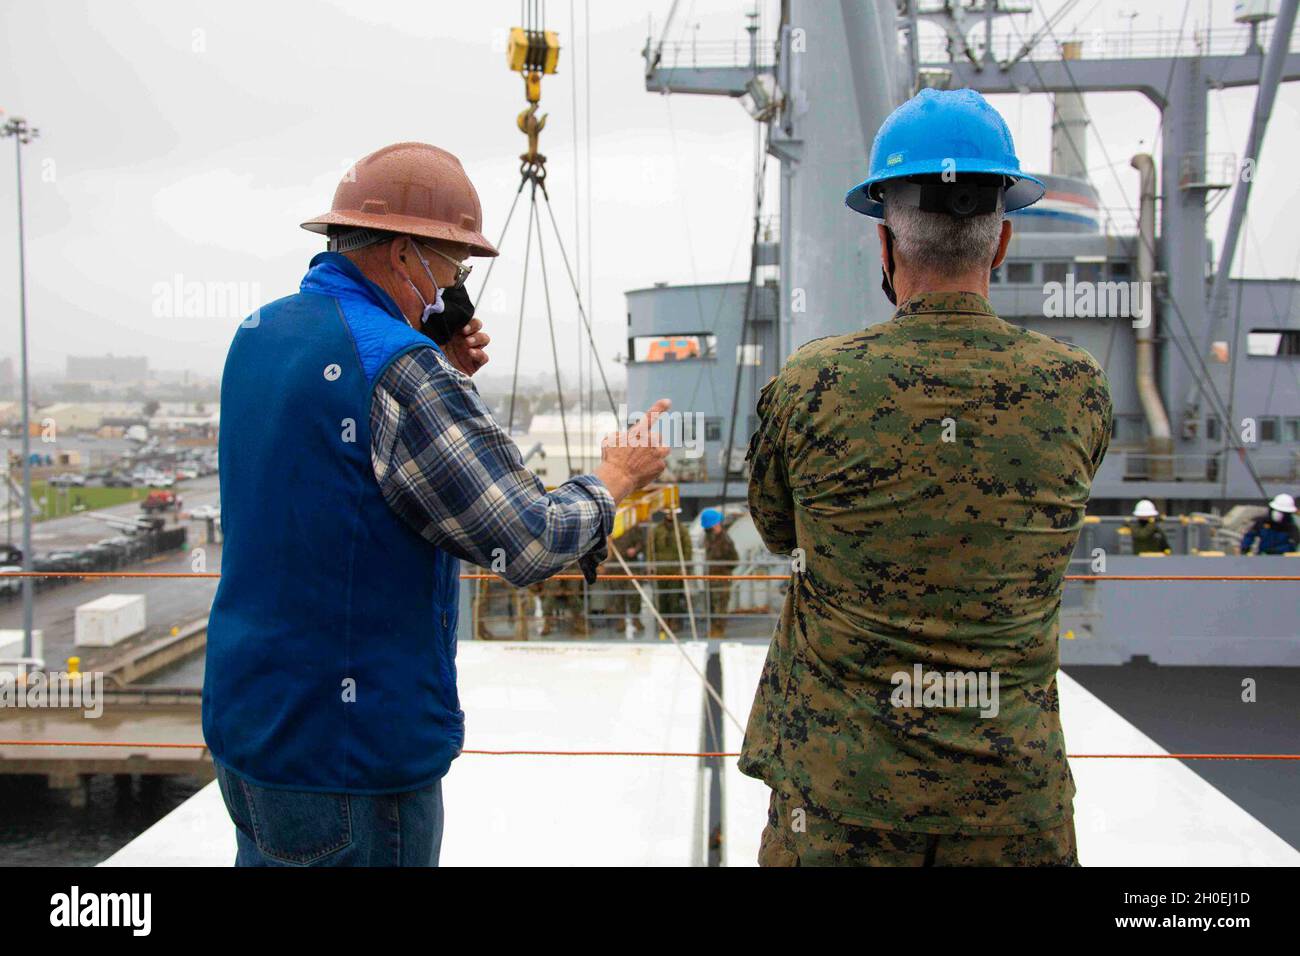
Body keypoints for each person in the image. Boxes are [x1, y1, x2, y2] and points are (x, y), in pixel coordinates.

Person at [203, 142, 670, 867]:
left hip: (253, 728)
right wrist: (616, 477)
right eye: (453, 267)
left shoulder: (262, 333)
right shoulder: (402, 368)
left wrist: (431, 366)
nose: (452, 286)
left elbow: (333, 470)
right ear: (401, 254)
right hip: (352, 762)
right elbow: (526, 538)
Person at [742, 89, 1112, 867]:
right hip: (1015, 812)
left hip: (839, 812)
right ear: (1002, 239)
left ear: (886, 244)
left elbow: (780, 532)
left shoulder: (811, 384)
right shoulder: (1076, 388)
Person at [650, 511, 692, 631]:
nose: (669, 515)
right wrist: (651, 564)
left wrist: (684, 567)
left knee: (675, 598)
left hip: (676, 571)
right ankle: (664, 622)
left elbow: (687, 549)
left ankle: (675, 621)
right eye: (667, 513)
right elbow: (651, 548)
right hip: (661, 570)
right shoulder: (657, 530)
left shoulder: (682, 530)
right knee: (662, 598)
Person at [700, 508, 739, 637]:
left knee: (720, 606)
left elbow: (735, 561)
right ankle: (712, 630)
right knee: (710, 605)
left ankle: (719, 631)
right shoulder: (709, 537)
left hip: (721, 580)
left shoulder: (726, 540)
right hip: (710, 578)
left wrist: (722, 570)